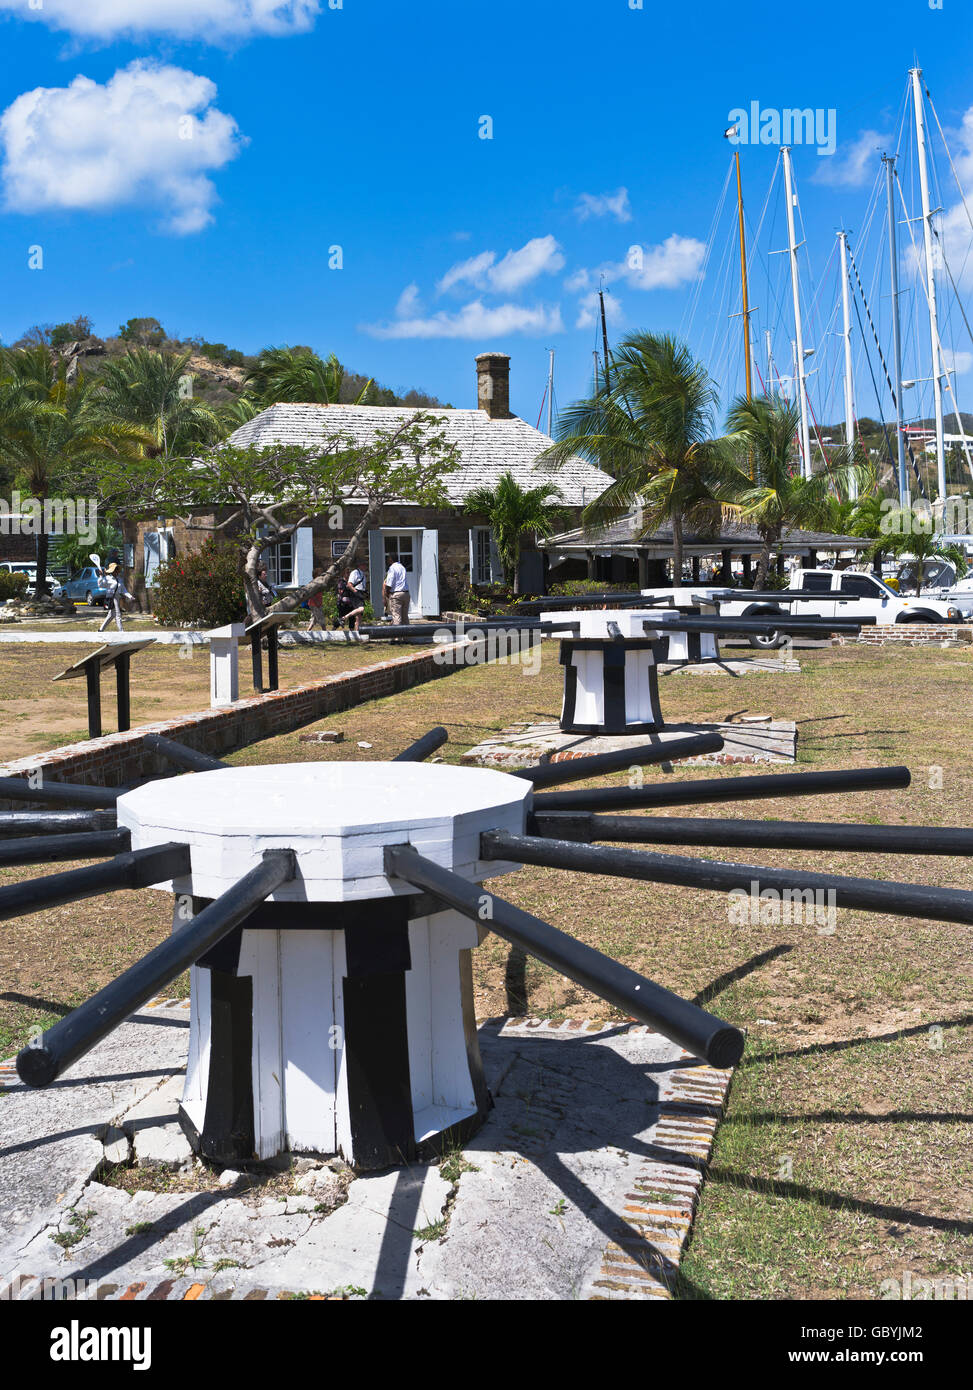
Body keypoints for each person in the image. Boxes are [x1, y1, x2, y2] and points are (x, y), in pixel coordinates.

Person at [98, 562, 133, 633]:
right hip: (111, 598)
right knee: (118, 614)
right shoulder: (107, 578)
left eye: (117, 569)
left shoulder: (119, 579)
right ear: (112, 571)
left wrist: (130, 596)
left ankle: (101, 630)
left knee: (111, 615)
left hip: (116, 597)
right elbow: (100, 585)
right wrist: (101, 576)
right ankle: (121, 631)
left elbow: (123, 589)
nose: (117, 571)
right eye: (115, 569)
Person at [336, 566, 365, 633]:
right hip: (343, 603)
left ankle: (354, 633)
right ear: (344, 573)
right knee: (341, 619)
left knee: (354, 619)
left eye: (349, 573)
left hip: (350, 602)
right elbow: (340, 591)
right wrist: (352, 590)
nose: (348, 574)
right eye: (347, 573)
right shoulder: (342, 581)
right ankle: (333, 630)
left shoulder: (351, 581)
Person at [383, 553, 410, 626]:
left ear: (391, 559)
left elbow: (389, 584)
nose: (387, 560)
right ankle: (407, 636)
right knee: (405, 617)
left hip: (396, 594)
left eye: (388, 558)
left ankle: (397, 637)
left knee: (396, 617)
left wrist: (386, 594)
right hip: (406, 594)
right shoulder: (402, 567)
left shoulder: (392, 568)